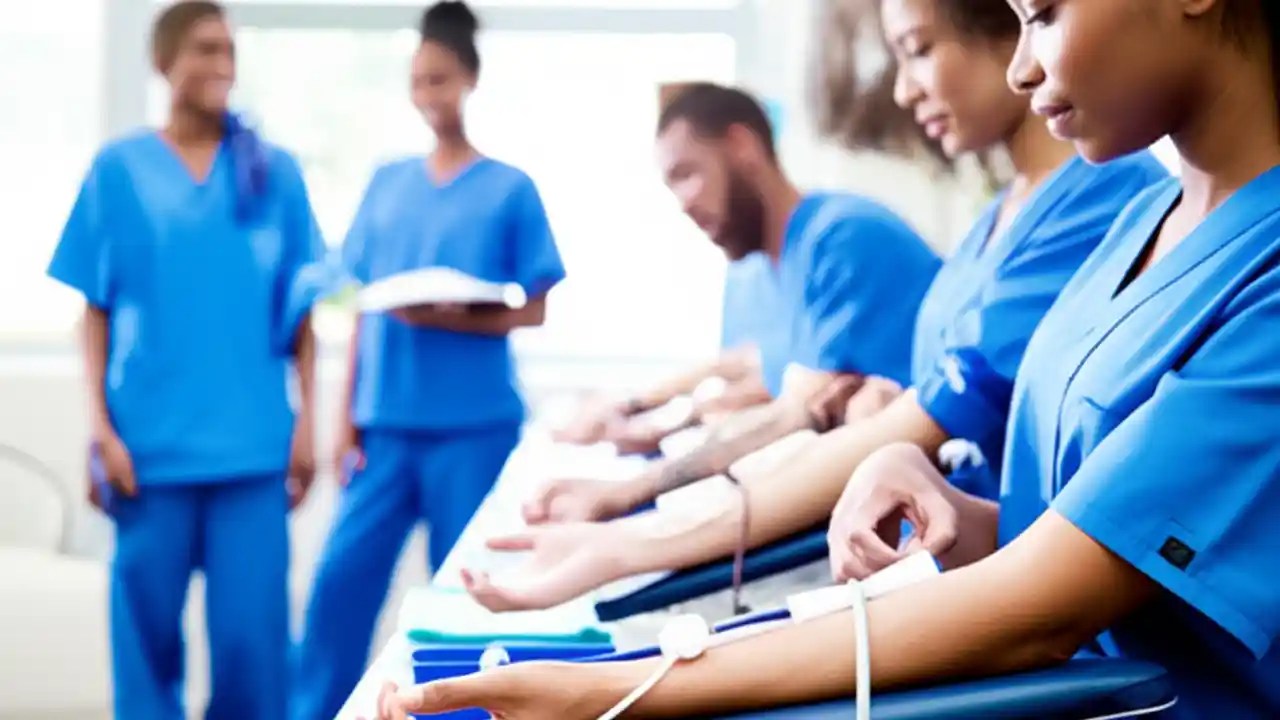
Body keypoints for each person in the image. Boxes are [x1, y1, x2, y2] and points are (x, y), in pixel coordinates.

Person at [372, 0, 1280, 717]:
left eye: (1040, 14)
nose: (1021, 62)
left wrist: (624, 681)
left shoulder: (1249, 265)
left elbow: (1047, 605)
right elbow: (1070, 517)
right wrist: (960, 514)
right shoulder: (1138, 227)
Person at [461, 0, 1167, 613]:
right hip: (940, 557)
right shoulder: (990, 226)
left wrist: (628, 536)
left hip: (989, 580)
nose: (902, 90)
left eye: (919, 50)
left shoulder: (1100, 198)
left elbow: (934, 423)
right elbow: (890, 410)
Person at [45, 2, 325, 718]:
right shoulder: (118, 170)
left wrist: (308, 424)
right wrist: (100, 432)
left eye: (229, 49)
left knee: (252, 649)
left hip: (252, 452)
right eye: (205, 48)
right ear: (164, 61)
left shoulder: (275, 174)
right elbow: (95, 311)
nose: (222, 64)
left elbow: (303, 317)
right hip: (148, 453)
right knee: (144, 648)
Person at [290, 3, 566, 718]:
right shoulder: (387, 182)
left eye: (440, 79)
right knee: (337, 594)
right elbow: (361, 304)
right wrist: (346, 420)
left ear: (469, 80)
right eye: (418, 81)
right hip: (383, 429)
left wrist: (454, 318)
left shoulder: (510, 188)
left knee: (468, 602)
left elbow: (534, 307)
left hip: (472, 430)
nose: (428, 95)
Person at [522, 83, 942, 528]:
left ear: (741, 145)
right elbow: (757, 370)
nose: (682, 204)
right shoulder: (778, 260)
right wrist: (647, 418)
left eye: (687, 174)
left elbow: (794, 415)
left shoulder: (841, 237)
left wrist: (623, 494)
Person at [552, 254, 783, 456]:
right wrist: (628, 406)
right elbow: (729, 365)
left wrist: (668, 423)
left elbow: (771, 378)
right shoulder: (746, 272)